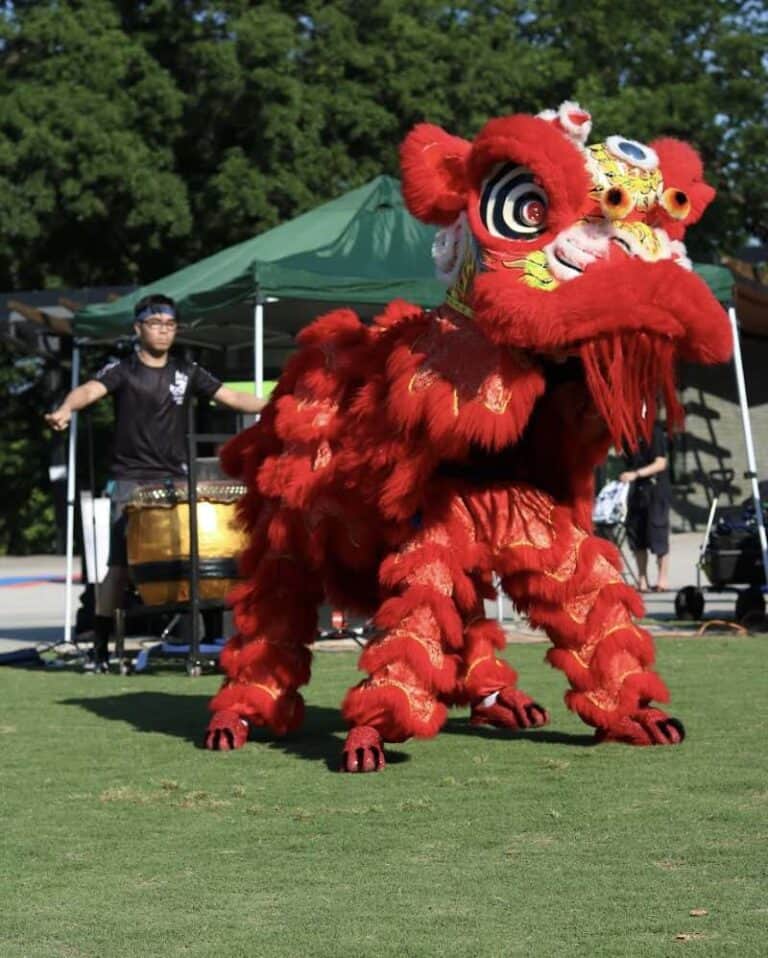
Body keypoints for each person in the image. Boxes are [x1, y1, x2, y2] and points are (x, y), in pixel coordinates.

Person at [45, 293, 267, 671]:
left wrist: (283, 403)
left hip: (178, 483)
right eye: (155, 324)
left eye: (169, 325)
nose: (163, 331)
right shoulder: (122, 370)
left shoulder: (187, 370)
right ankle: (101, 651)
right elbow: (88, 391)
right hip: (131, 483)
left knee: (197, 559)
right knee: (117, 570)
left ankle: (209, 643)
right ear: (138, 328)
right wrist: (66, 408)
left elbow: (231, 397)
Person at [619, 420, 672, 592]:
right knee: (637, 535)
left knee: (658, 533)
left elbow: (661, 463)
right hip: (637, 491)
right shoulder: (627, 436)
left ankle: (662, 580)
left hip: (656, 490)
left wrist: (636, 474)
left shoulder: (654, 431)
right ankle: (642, 580)